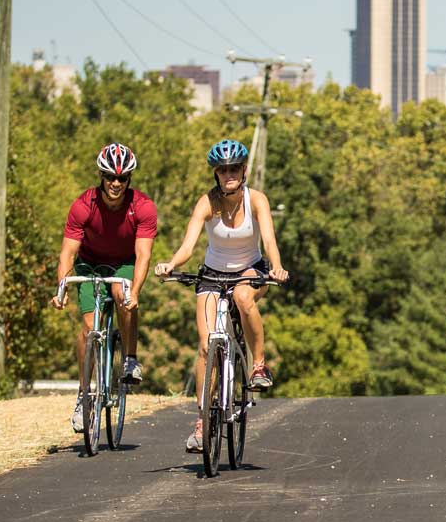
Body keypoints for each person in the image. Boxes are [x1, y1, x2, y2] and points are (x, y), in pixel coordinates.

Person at [155, 139, 289, 452]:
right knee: (205, 347)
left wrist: (278, 267)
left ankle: (258, 365)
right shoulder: (207, 202)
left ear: (243, 171)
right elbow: (188, 246)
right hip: (212, 276)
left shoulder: (256, 200)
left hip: (249, 272)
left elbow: (268, 240)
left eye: (233, 168)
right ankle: (202, 423)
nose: (228, 174)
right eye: (222, 169)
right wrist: (170, 265)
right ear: (216, 174)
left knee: (243, 299)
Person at [52, 143, 157, 433]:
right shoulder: (83, 205)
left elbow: (144, 254)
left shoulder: (143, 207)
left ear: (129, 180)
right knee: (88, 330)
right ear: (101, 175)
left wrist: (135, 291)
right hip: (90, 264)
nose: (116, 183)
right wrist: (61, 287)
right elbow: (67, 253)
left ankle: (130, 360)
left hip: (124, 262)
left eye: (122, 179)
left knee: (122, 297)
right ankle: (84, 396)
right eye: (110, 177)